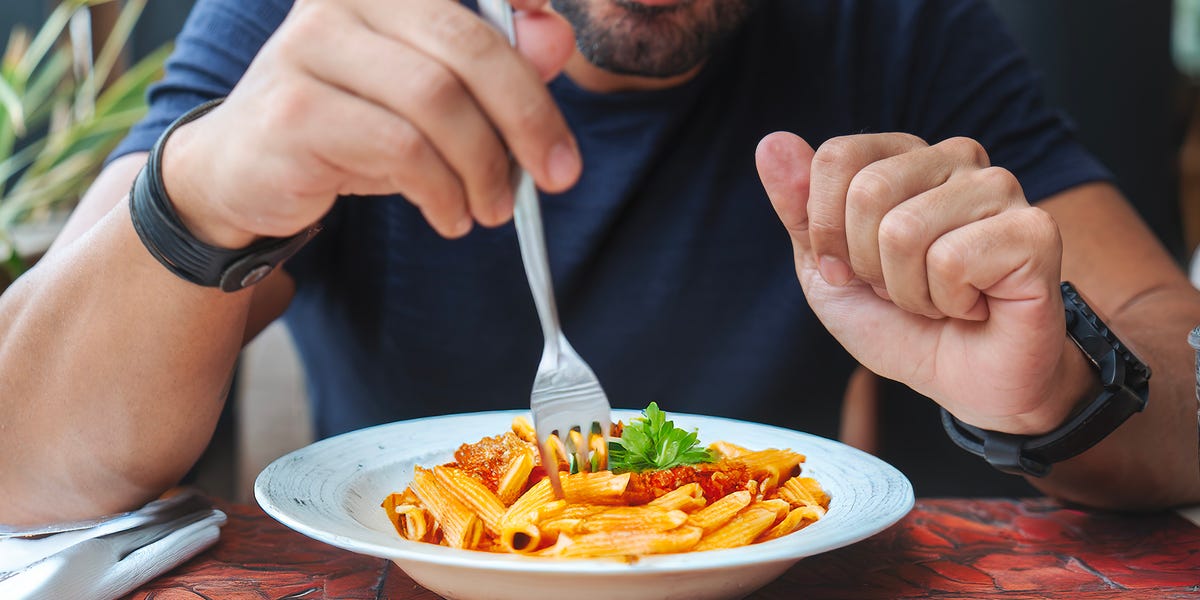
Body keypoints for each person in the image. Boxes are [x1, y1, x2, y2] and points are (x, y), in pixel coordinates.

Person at [1, 0, 1197, 526]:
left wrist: (1058, 392)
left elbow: (1178, 372)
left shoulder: (896, 25)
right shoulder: (318, 18)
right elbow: (21, 465)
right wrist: (203, 192)